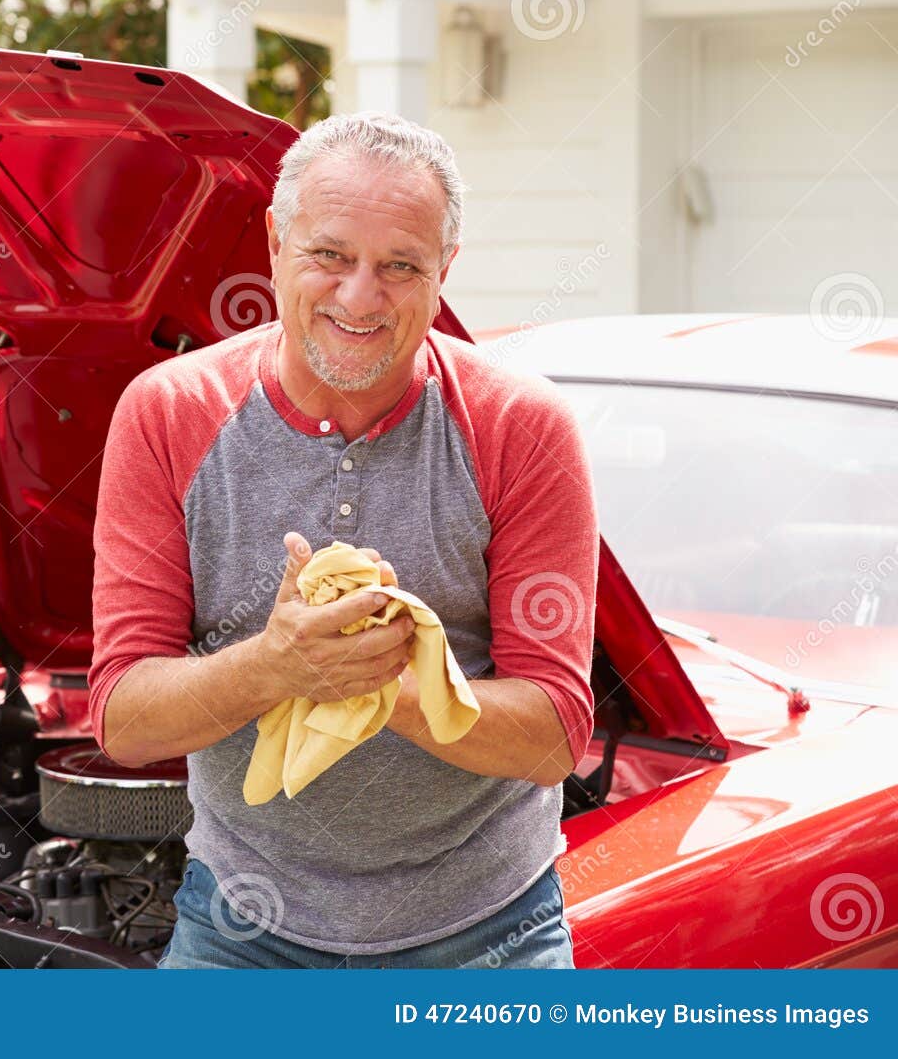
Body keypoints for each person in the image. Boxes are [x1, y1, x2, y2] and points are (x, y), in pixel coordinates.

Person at [89, 113, 597, 968]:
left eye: (400, 265)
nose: (361, 296)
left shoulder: (521, 425)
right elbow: (123, 721)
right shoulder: (167, 412)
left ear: (445, 272)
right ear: (276, 241)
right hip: (239, 932)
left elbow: (555, 736)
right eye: (330, 254)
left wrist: (379, 684)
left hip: (489, 934)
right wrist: (276, 666)